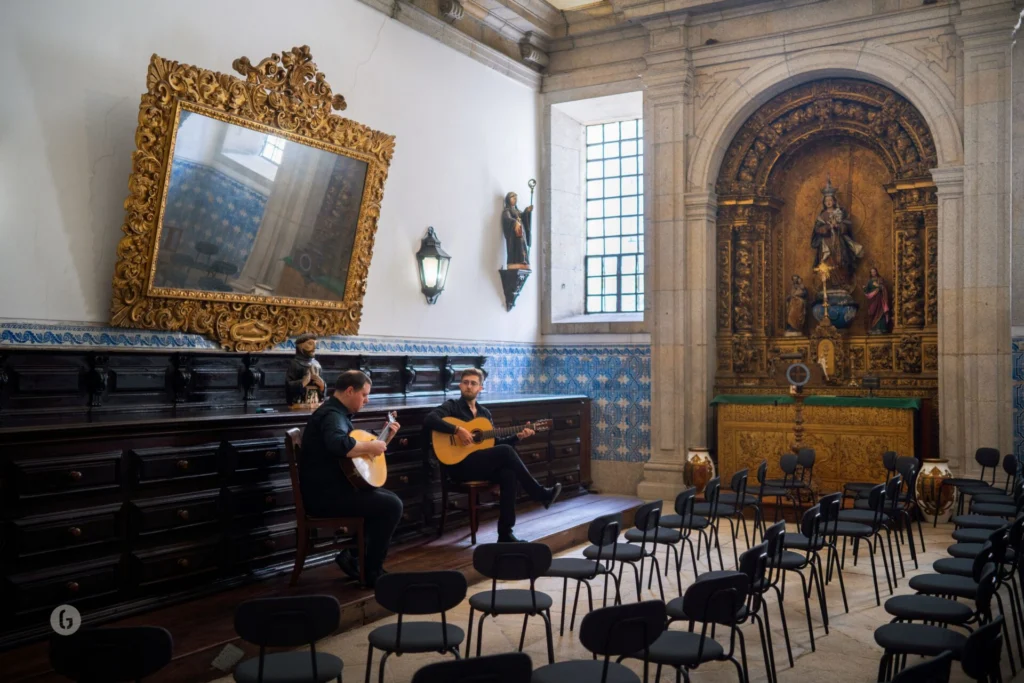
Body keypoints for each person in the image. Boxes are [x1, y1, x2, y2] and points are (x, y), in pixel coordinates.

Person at [424, 368, 561, 543]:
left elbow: (495, 444)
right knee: (506, 453)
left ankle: (505, 534)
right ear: (460, 385)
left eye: (473, 383)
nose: (468, 386)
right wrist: (457, 430)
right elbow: (430, 419)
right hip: (458, 467)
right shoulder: (452, 407)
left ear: (480, 388)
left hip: (479, 465)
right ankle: (539, 494)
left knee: (508, 474)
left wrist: (517, 436)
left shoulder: (484, 414)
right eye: (465, 382)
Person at [298, 370, 403, 587]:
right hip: (325, 497)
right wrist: (370, 446)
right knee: (391, 505)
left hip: (335, 489)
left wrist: (384, 438)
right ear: (349, 391)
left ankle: (354, 557)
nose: (367, 400)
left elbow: (353, 458)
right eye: (364, 395)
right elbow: (338, 445)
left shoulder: (338, 413)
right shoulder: (332, 416)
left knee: (387, 499)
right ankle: (371, 571)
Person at [285, 333, 325, 406]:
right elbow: (288, 386)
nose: (315, 347)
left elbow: (323, 388)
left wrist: (322, 385)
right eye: (310, 343)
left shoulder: (317, 364)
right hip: (299, 404)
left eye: (316, 344)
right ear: (300, 346)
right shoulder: (295, 363)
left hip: (315, 403)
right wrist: (303, 382)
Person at [501, 191, 533, 268]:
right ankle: (515, 261)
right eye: (513, 198)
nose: (515, 199)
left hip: (521, 231)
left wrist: (527, 211)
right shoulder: (507, 211)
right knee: (517, 245)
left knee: (522, 244)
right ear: (508, 199)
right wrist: (515, 222)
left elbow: (523, 216)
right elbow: (507, 218)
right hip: (514, 234)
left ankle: (523, 260)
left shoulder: (517, 211)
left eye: (516, 198)